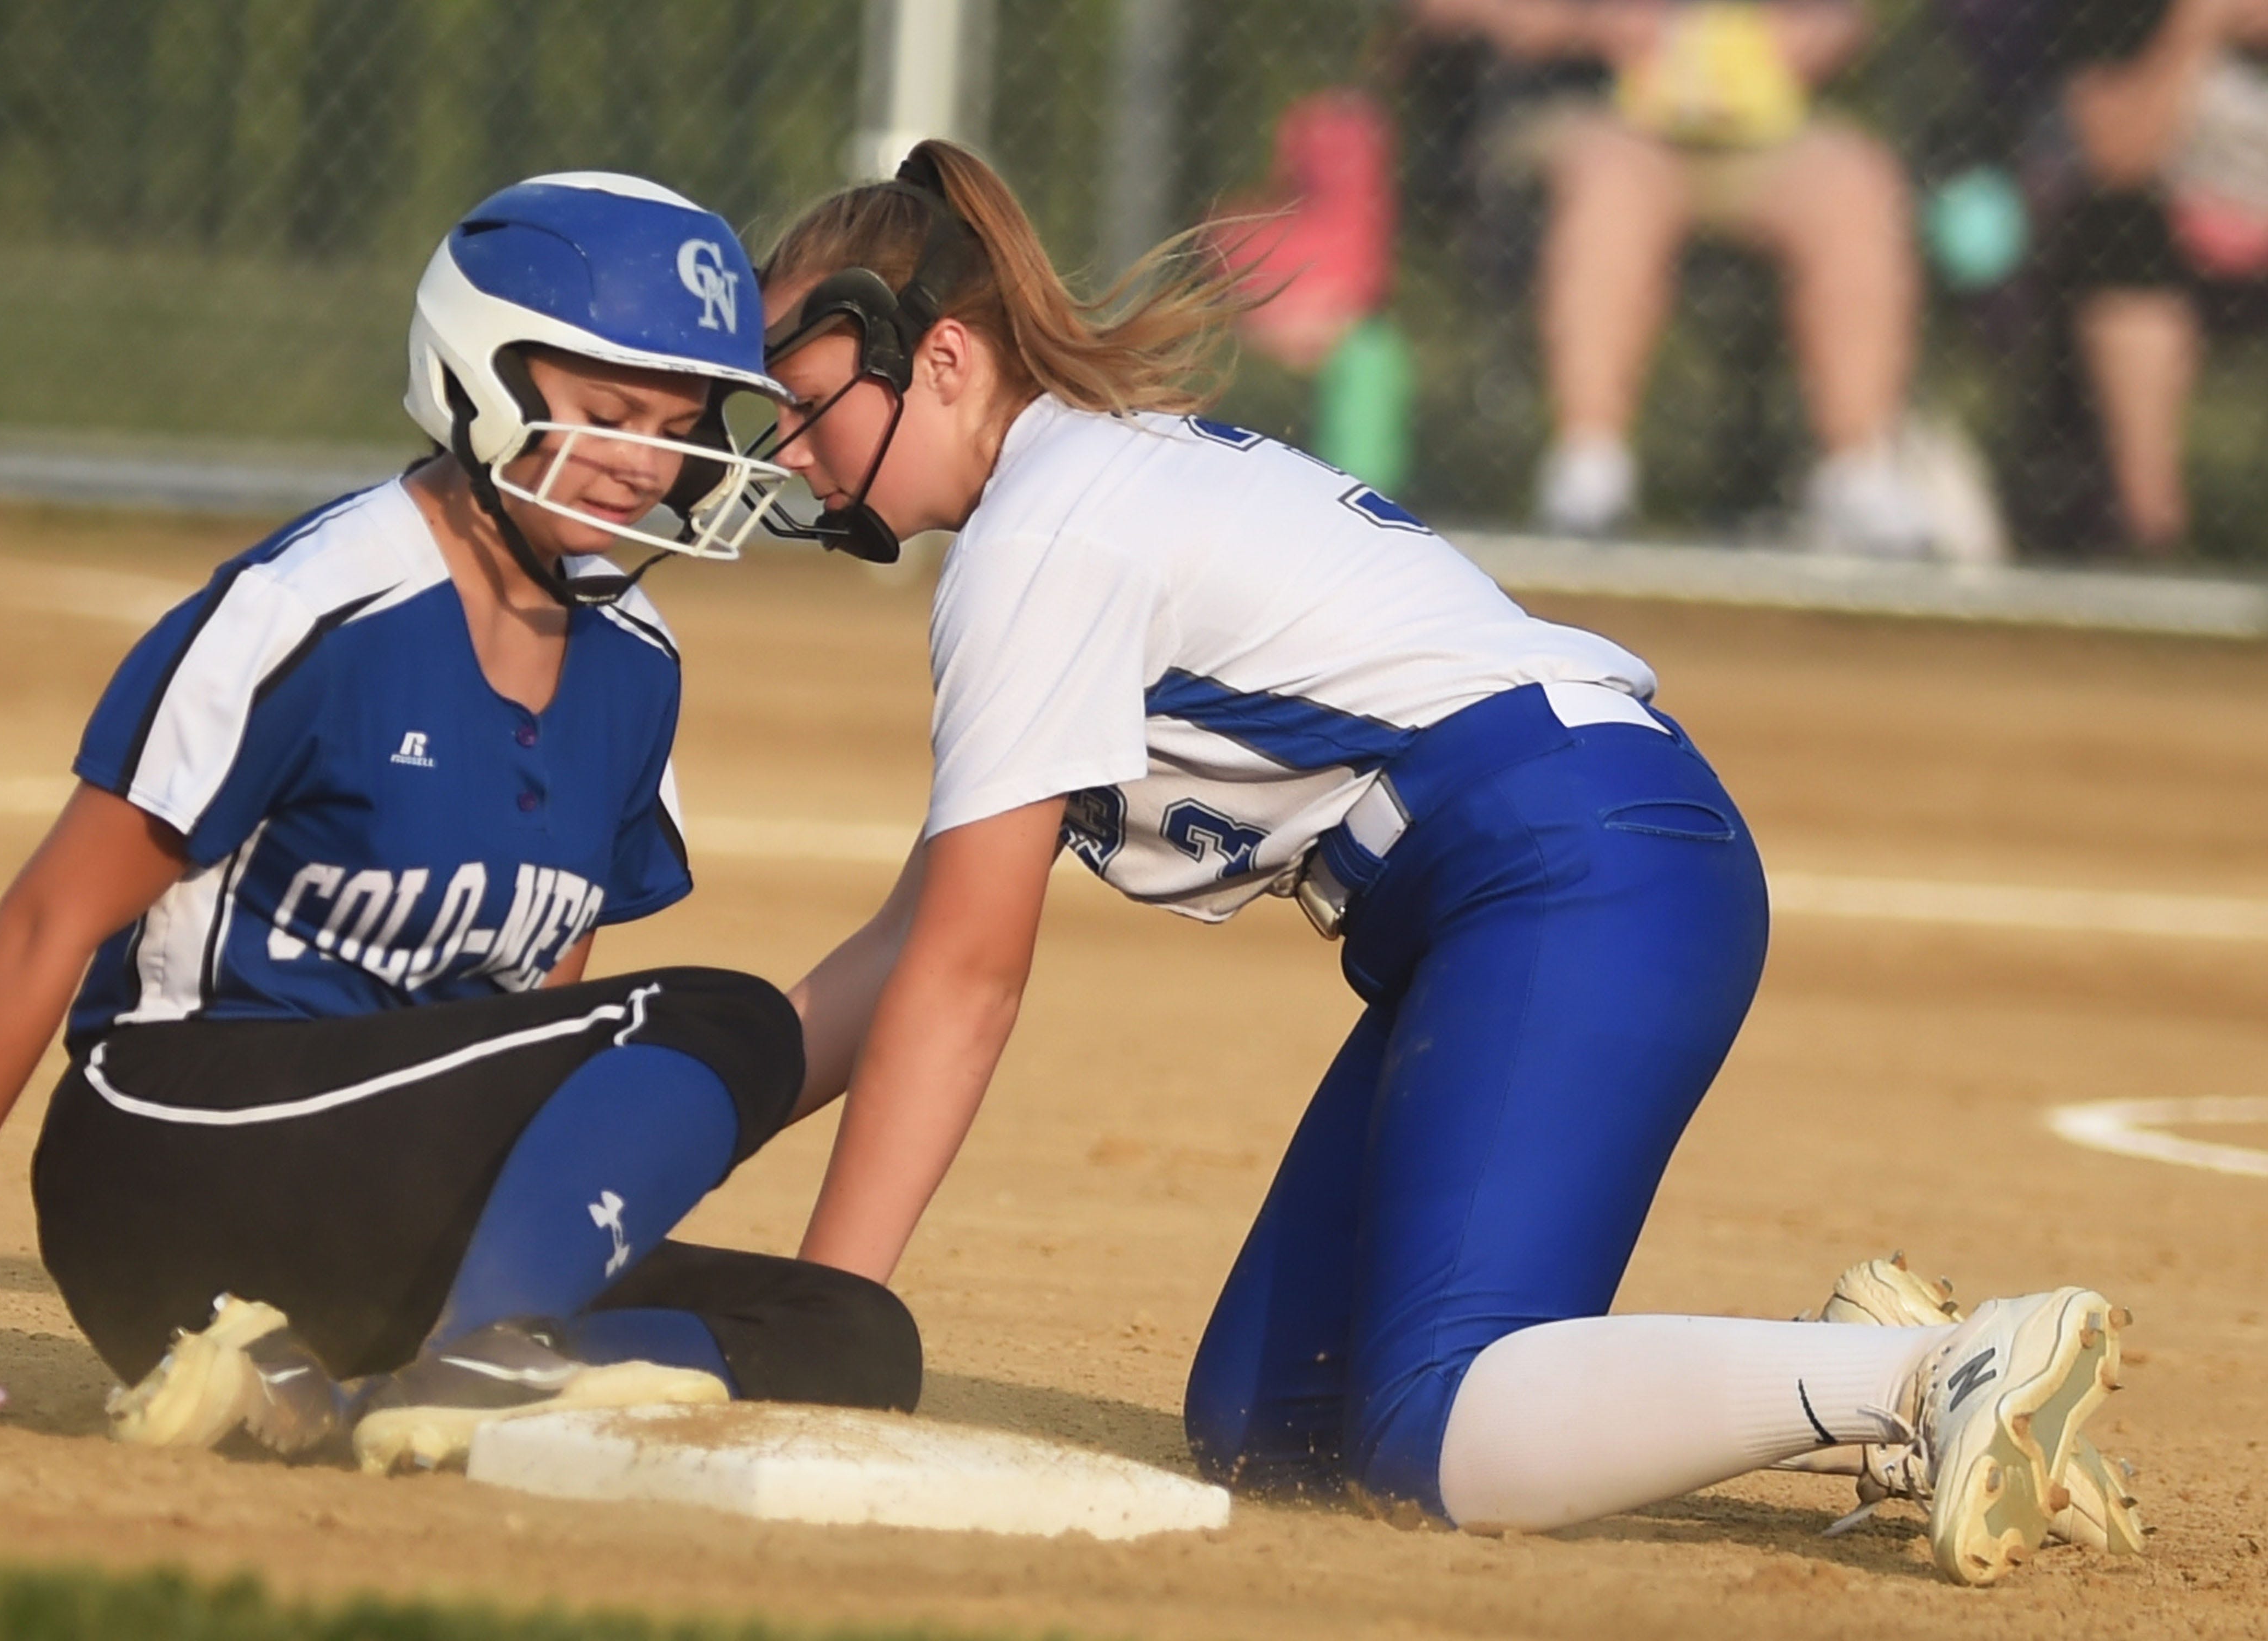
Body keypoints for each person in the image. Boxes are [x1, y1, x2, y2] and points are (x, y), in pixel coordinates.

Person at [755, 139, 2129, 1586]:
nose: (790, 450)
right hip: (1537, 871)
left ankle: (1934, 1377)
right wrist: (668, 1119)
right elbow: (914, 948)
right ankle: (1839, 1368)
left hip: (1569, 865)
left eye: (809, 401)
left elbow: (966, 981)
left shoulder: (1039, 534)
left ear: (948, 358)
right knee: (1268, 1429)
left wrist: (823, 1313)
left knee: (1429, 1431)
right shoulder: (1073, 491)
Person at [0, 172, 921, 1474]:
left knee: (849, 1331)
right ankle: (495, 1356)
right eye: (608, 410)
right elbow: (47, 921)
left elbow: (528, 1019)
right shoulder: (320, 604)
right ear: (479, 373)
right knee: (728, 1018)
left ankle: (364, 1395)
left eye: (676, 426)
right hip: (168, 1159)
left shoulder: (634, 656)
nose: (646, 460)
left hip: (358, 1220)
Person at [1412, 0, 1930, 553]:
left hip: (1756, 128)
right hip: (1586, 112)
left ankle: (1859, 475)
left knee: (1855, 185)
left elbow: (1845, 18)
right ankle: (1588, 471)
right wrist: (1588, 27)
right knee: (1615, 189)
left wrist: (1813, 34)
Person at [2014, 0, 2268, 556]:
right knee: (2117, 240)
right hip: (2165, 236)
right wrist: (2196, 28)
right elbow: (2116, 158)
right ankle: (2153, 540)